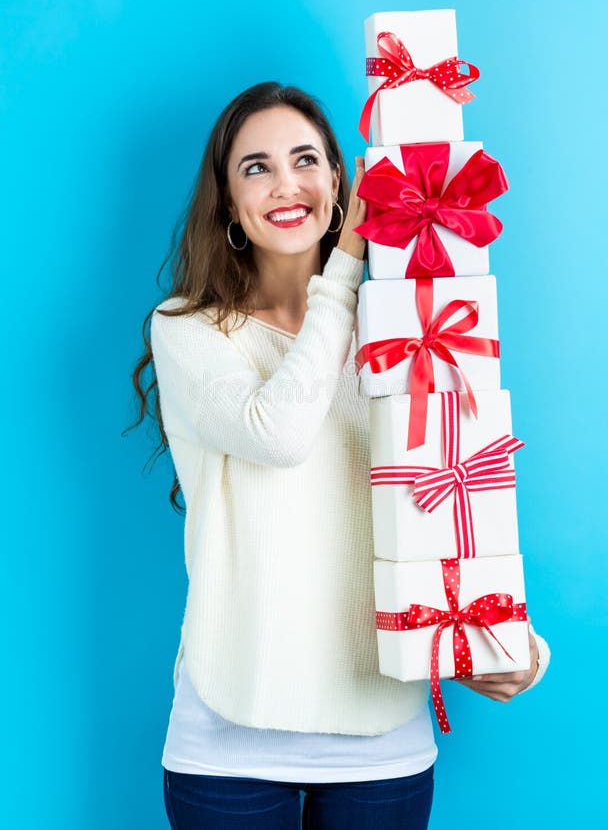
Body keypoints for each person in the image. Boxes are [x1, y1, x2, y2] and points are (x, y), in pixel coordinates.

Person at [130, 82, 550, 830]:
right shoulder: (189, 331)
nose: (286, 184)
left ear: (338, 181)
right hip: (228, 738)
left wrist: (508, 642)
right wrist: (347, 267)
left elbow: (453, 491)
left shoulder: (411, 331)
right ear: (227, 202)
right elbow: (280, 431)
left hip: (380, 742)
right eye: (255, 168)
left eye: (306, 160)